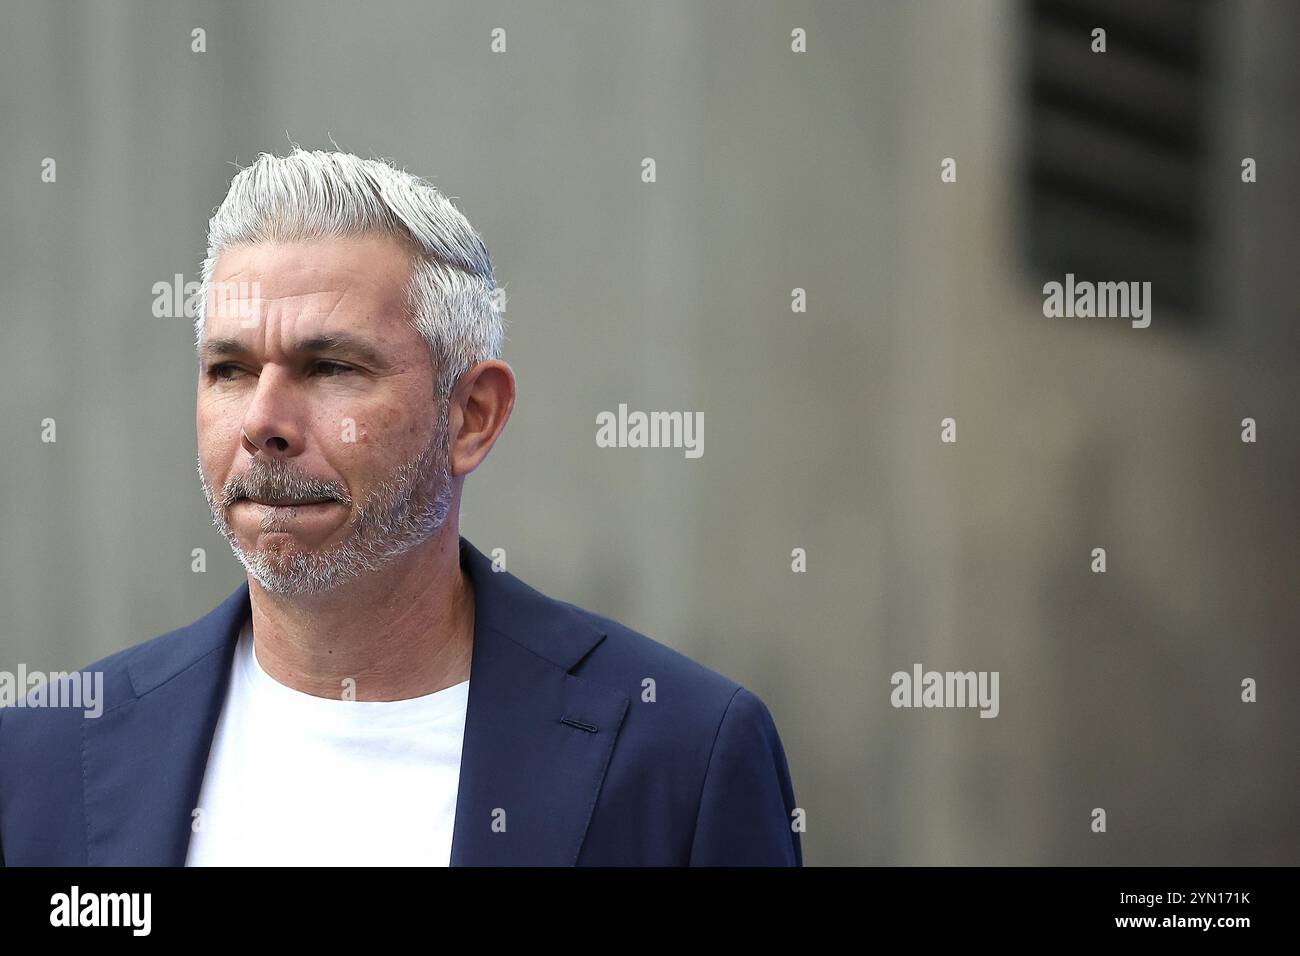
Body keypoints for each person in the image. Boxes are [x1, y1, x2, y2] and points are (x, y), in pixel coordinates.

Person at [0, 149, 802, 866]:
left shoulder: (683, 756)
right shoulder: (42, 759)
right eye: (230, 370)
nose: (262, 424)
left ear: (471, 415)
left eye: (332, 367)